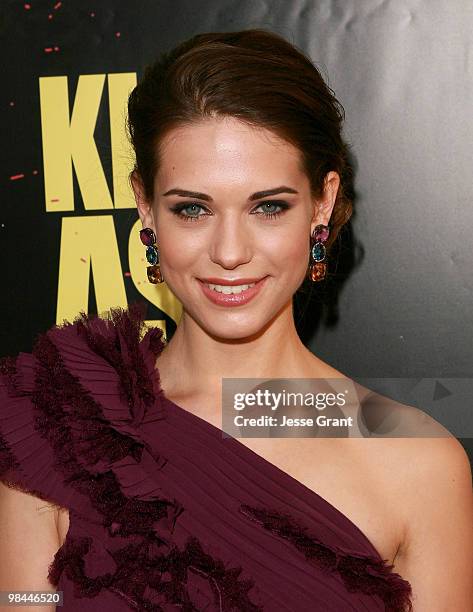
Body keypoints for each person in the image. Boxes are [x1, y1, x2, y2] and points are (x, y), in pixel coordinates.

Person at [1, 29, 472, 612]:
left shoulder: (417, 460)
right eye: (192, 209)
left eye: (268, 206)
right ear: (145, 206)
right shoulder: (63, 421)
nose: (229, 251)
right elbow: (20, 600)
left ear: (321, 204)